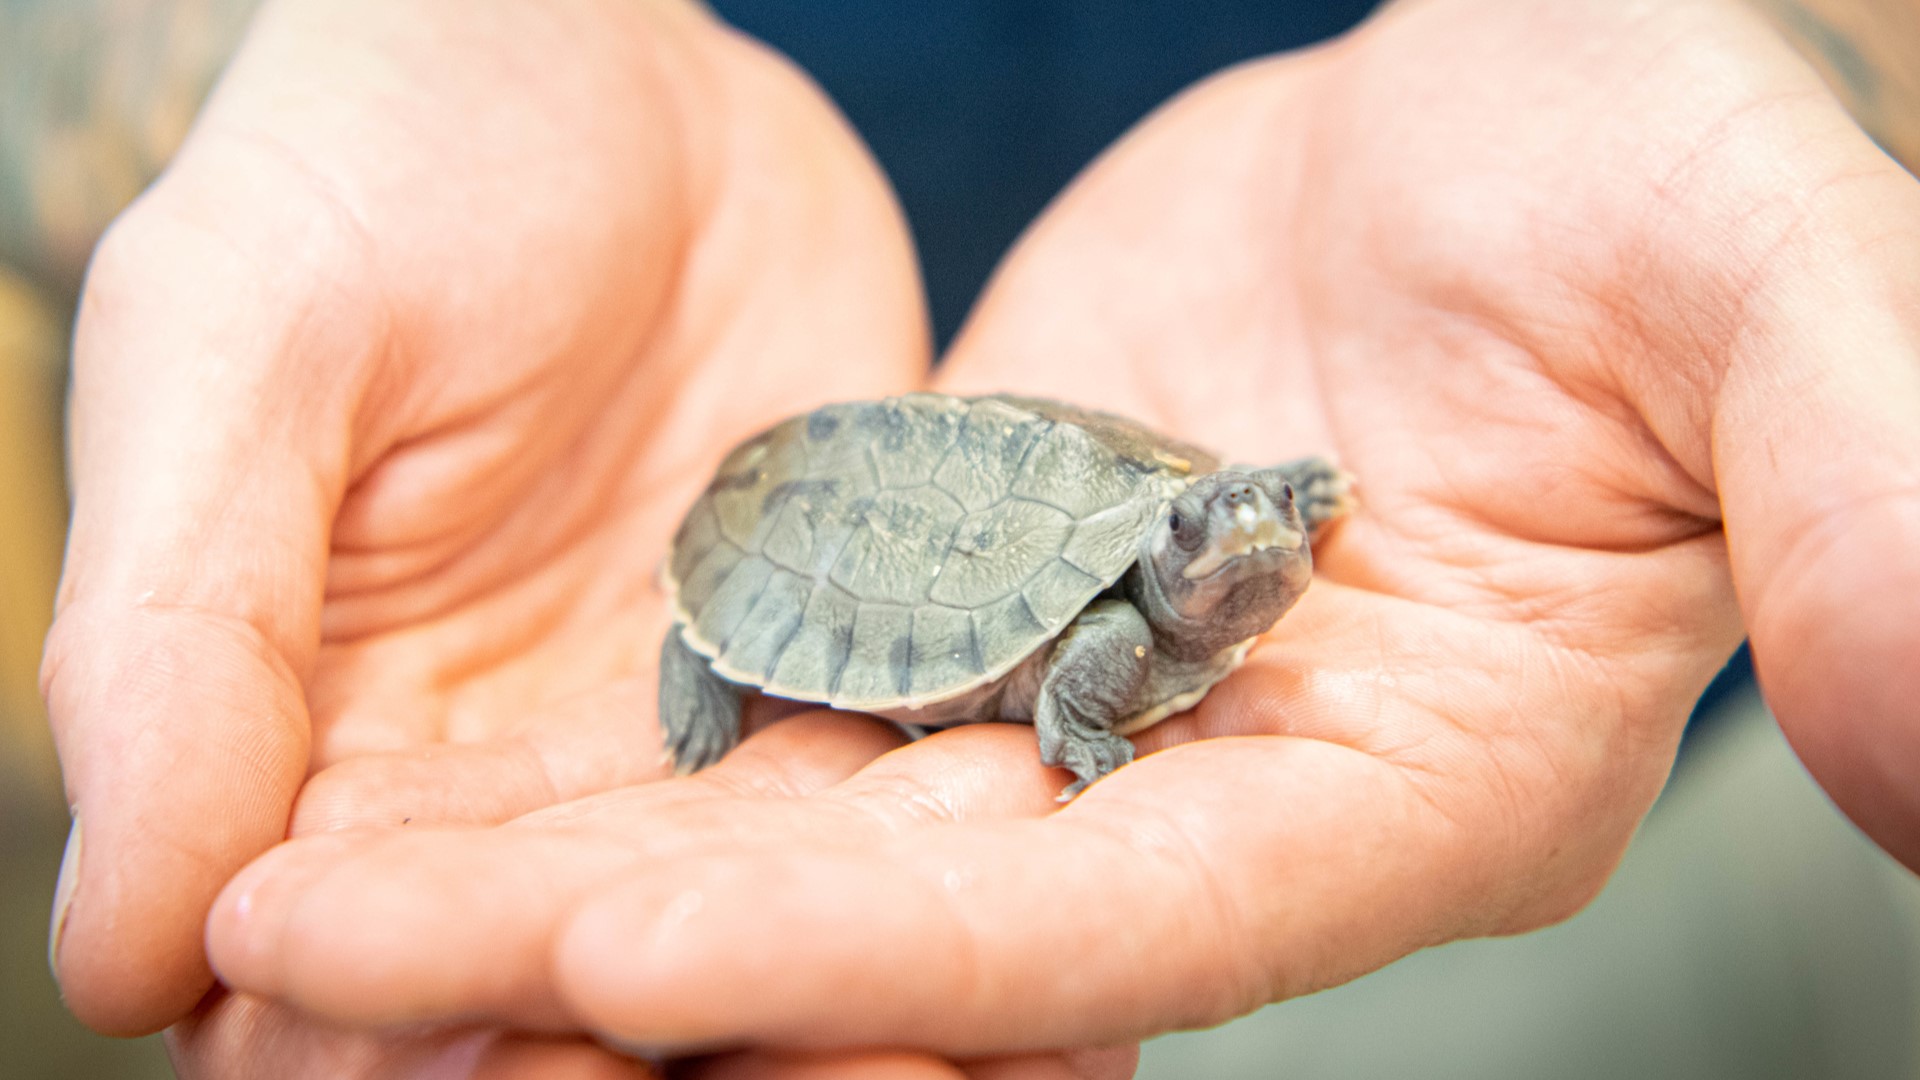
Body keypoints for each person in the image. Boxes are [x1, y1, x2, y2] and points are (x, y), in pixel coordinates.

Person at [35, 0, 1920, 1075]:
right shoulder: (1127, 627)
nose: (1257, 536)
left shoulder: (1244, 543)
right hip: (780, 453)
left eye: (1263, 520)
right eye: (1226, 525)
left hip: (1622, 726)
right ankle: (717, 651)